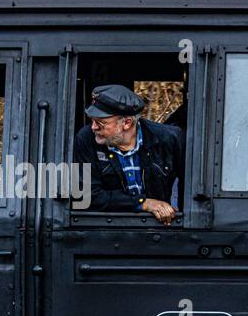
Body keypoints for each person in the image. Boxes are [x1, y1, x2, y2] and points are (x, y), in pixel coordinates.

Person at [72, 84, 185, 225]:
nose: (93, 127)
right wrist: (143, 203)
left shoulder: (169, 139)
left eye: (101, 122)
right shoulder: (85, 139)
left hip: (159, 228)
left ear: (126, 123)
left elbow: (189, 190)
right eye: (92, 120)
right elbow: (86, 196)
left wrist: (179, 218)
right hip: (108, 229)